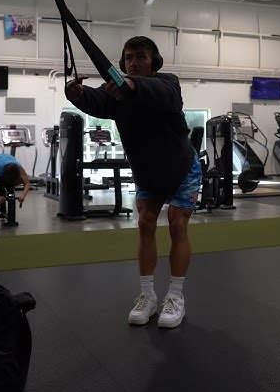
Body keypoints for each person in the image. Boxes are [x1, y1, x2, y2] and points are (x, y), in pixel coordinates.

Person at [65, 36, 202, 329]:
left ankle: (175, 297)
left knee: (177, 225)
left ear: (154, 62)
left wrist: (131, 85)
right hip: (148, 173)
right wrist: (77, 94)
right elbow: (97, 99)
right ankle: (148, 296)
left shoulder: (168, 83)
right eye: (129, 58)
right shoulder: (117, 93)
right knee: (145, 224)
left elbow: (158, 92)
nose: (134, 62)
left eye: (140, 56)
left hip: (182, 168)